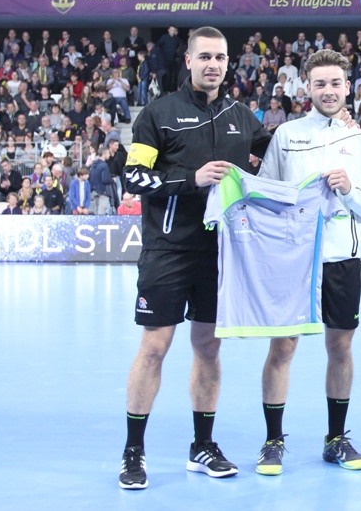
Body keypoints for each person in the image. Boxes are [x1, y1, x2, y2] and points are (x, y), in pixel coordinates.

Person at [118, 26, 271, 490]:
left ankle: (201, 445)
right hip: (167, 251)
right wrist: (191, 178)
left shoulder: (242, 116)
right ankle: (133, 451)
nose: (213, 65)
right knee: (155, 348)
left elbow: (277, 156)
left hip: (221, 253)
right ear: (187, 61)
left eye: (221, 58)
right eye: (204, 56)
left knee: (208, 347)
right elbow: (134, 178)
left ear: (229, 63)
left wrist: (333, 130)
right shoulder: (159, 114)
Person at [256, 50, 361, 475]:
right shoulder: (287, 135)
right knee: (283, 346)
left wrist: (350, 190)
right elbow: (267, 196)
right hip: (294, 260)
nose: (328, 91)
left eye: (336, 84)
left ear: (348, 87)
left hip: (341, 259)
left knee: (341, 346)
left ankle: (336, 438)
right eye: (320, 84)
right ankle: (273, 440)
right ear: (306, 88)